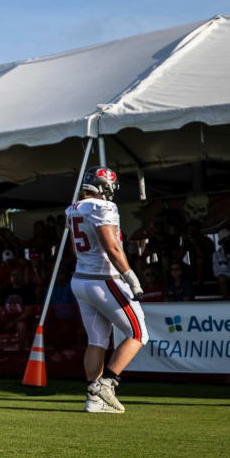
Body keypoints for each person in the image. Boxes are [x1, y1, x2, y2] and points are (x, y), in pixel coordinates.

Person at [66, 166, 148, 414]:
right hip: (104, 280)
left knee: (97, 340)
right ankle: (107, 383)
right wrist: (131, 277)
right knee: (138, 333)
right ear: (105, 187)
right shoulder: (104, 207)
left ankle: (94, 399)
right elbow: (112, 248)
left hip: (81, 279)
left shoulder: (73, 208)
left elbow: (74, 249)